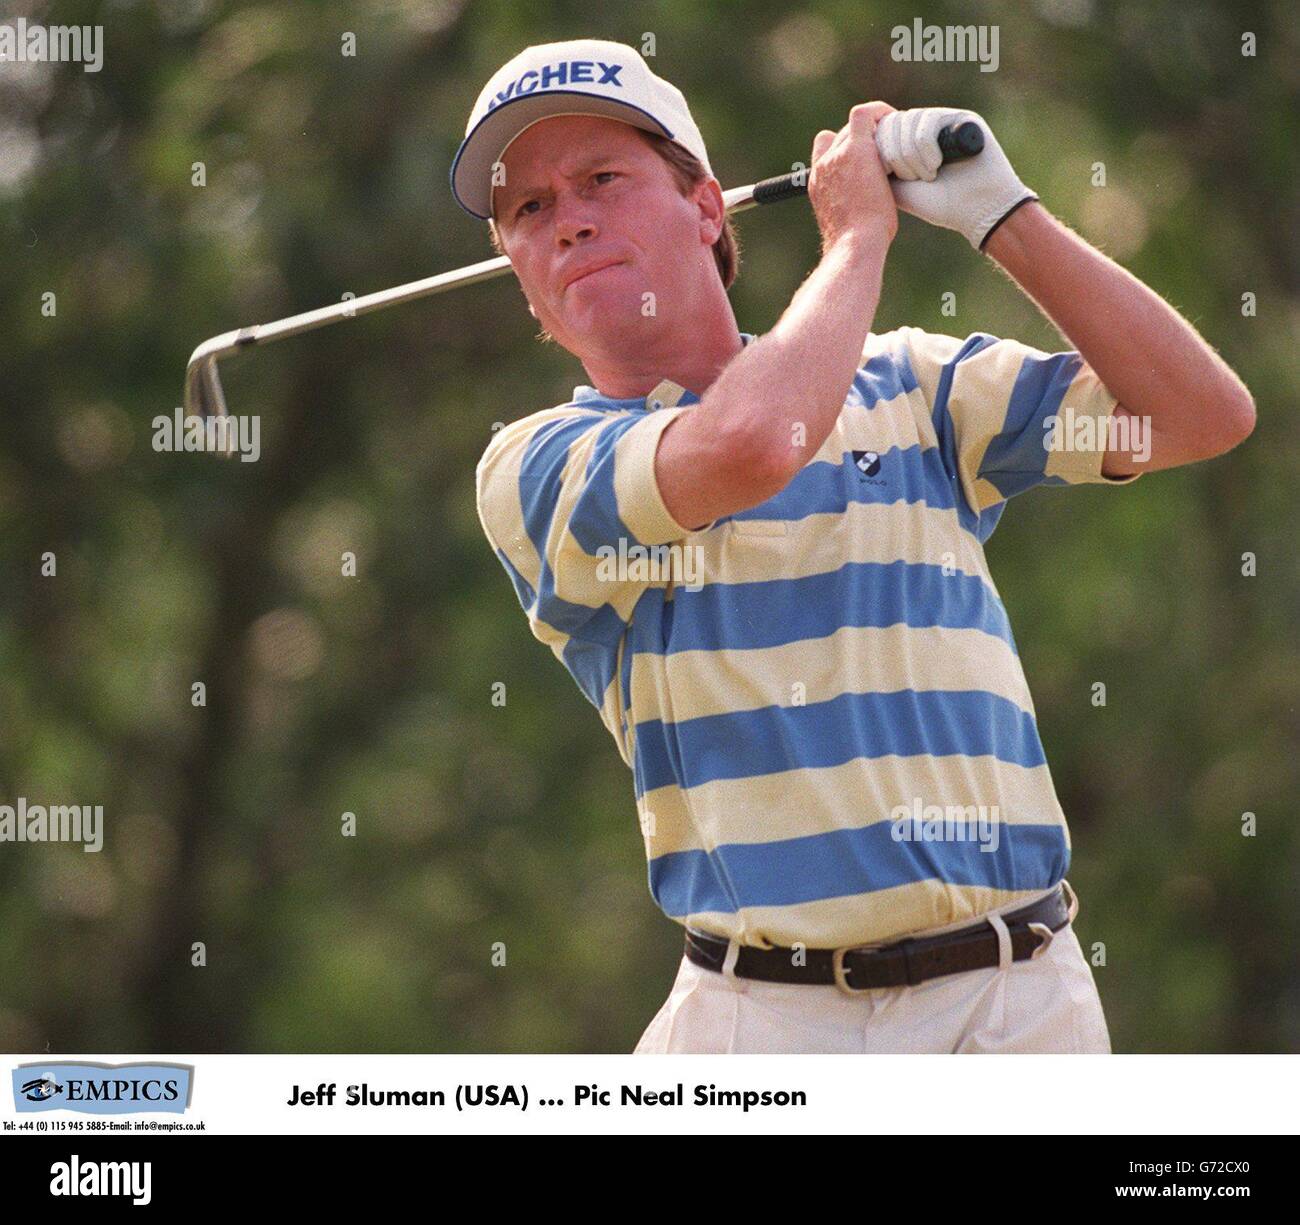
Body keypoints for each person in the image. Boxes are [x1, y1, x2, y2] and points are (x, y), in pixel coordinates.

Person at [455, 39, 1255, 1053]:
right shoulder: (534, 467)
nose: (567, 218)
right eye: (526, 209)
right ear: (518, 272)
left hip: (1013, 1009)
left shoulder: (914, 384)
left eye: (600, 180)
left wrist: (1004, 218)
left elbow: (1199, 416)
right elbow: (753, 441)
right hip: (760, 1025)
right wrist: (856, 239)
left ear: (708, 207)